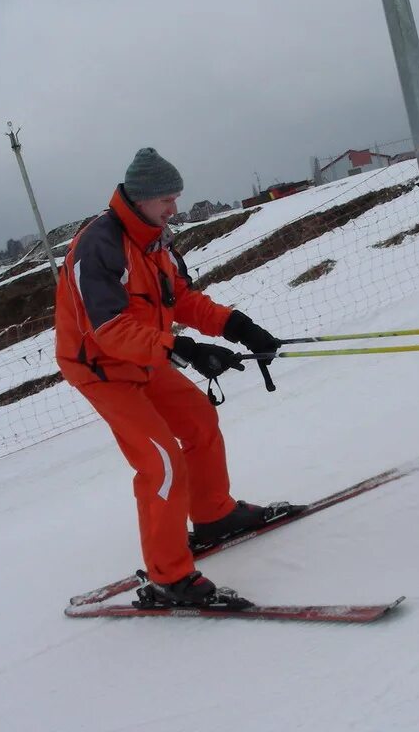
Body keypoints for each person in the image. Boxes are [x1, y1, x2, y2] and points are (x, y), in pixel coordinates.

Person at [55, 147, 289, 606]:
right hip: (101, 368)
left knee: (199, 420)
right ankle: (168, 578)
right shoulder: (99, 245)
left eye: (176, 197)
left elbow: (179, 298)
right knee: (160, 462)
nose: (174, 208)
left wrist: (236, 325)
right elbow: (107, 330)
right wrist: (182, 348)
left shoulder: (155, 241)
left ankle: (214, 515)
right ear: (140, 198)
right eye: (166, 199)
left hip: (144, 358)